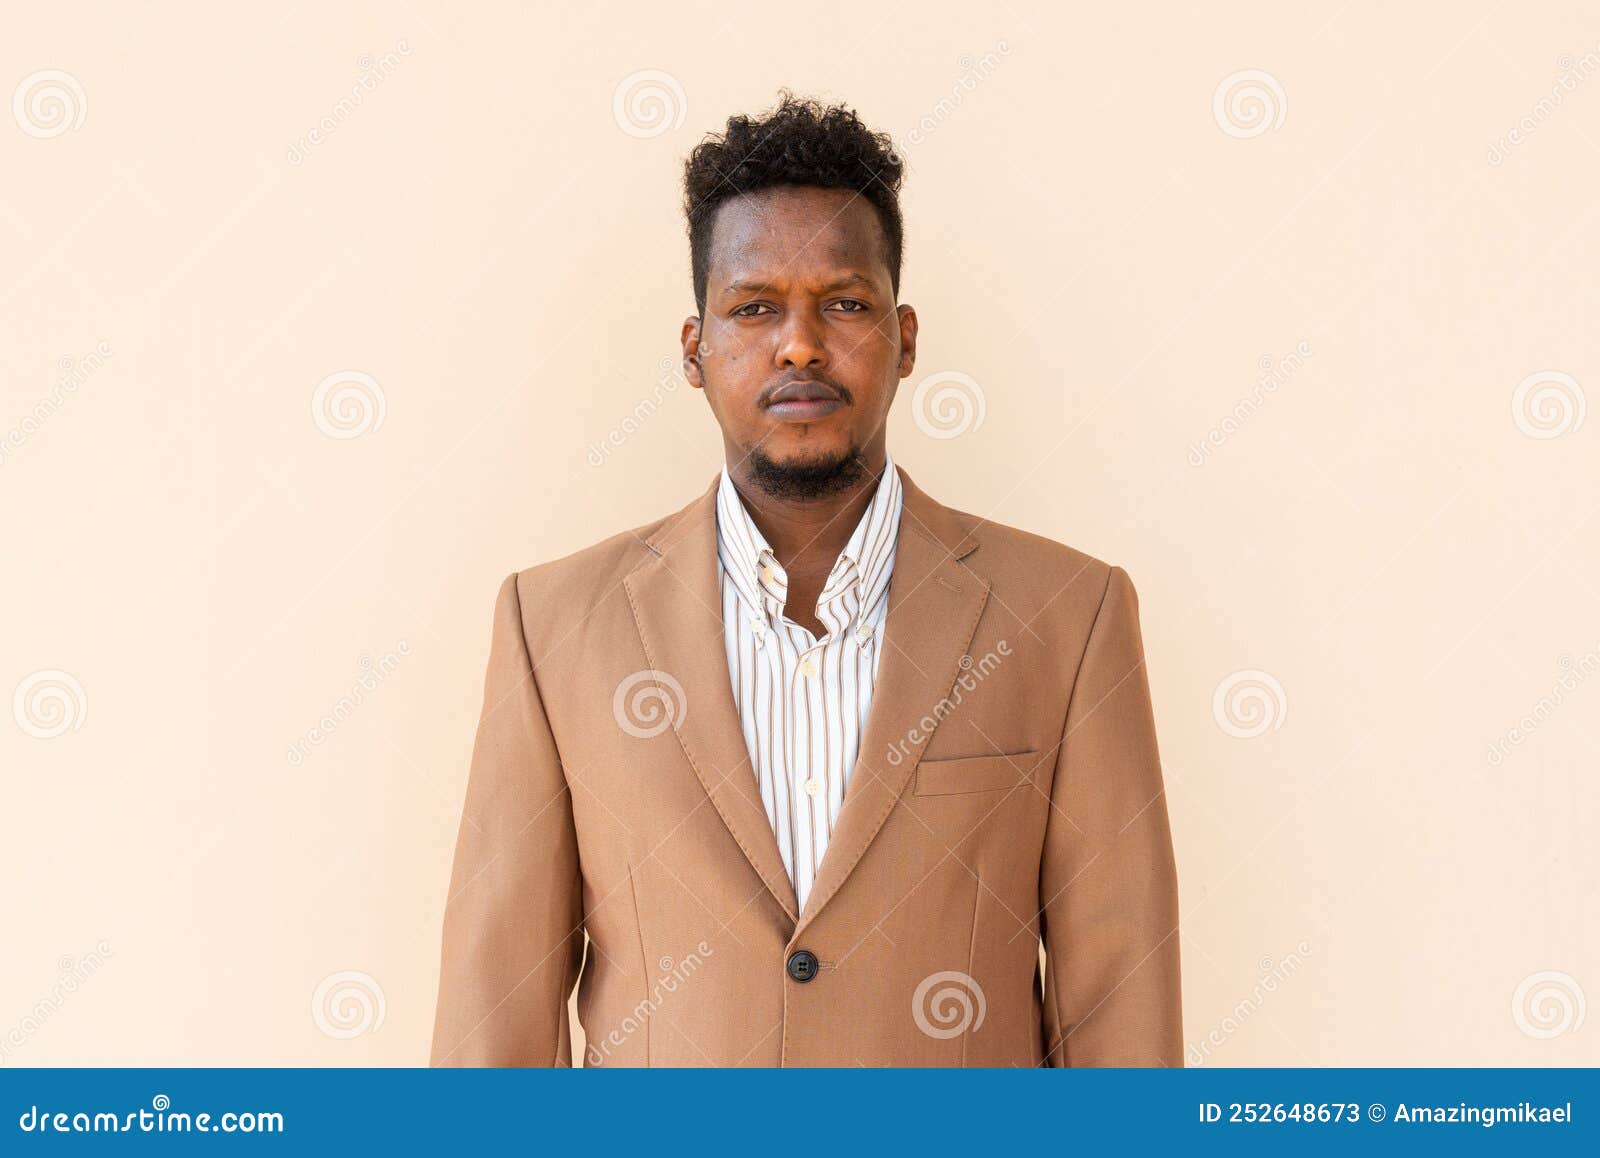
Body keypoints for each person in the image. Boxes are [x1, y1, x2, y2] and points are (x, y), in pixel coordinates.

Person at [429, 90, 1181, 1067]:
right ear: (694, 350)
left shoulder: (1066, 617)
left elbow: (1119, 1006)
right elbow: (496, 1022)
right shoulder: (553, 627)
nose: (799, 344)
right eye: (753, 308)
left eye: (844, 303)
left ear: (905, 338)